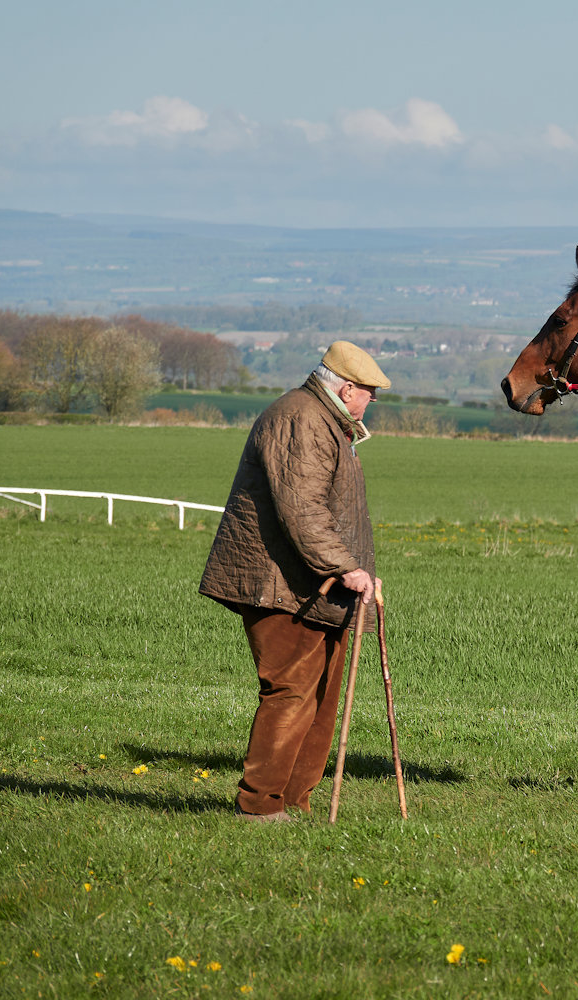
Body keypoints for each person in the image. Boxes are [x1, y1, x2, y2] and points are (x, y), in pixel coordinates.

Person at [199, 341, 390, 822]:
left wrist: (350, 570)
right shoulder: (301, 418)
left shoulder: (323, 420)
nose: (372, 401)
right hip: (279, 584)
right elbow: (301, 508)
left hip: (312, 582)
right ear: (347, 388)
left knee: (322, 697)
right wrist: (345, 567)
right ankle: (260, 805)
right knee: (291, 691)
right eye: (369, 392)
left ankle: (293, 801)